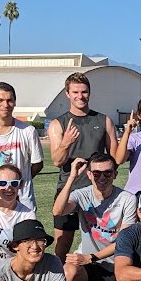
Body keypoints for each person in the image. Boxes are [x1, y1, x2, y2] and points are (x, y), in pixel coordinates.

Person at [51, 153, 137, 281]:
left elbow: (122, 242)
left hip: (114, 263)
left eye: (107, 173)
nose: (102, 178)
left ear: (115, 174)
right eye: (96, 173)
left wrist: (92, 257)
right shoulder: (82, 194)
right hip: (88, 261)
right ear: (89, 174)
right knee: (67, 272)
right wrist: (72, 177)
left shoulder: (127, 199)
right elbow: (58, 211)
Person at [47, 72, 119, 258]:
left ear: (90, 93)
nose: (80, 96)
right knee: (62, 243)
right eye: (76, 92)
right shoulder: (58, 124)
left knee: (103, 241)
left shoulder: (104, 120)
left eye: (84, 92)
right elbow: (57, 161)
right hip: (68, 189)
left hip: (98, 192)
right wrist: (66, 142)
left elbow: (115, 158)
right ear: (67, 93)